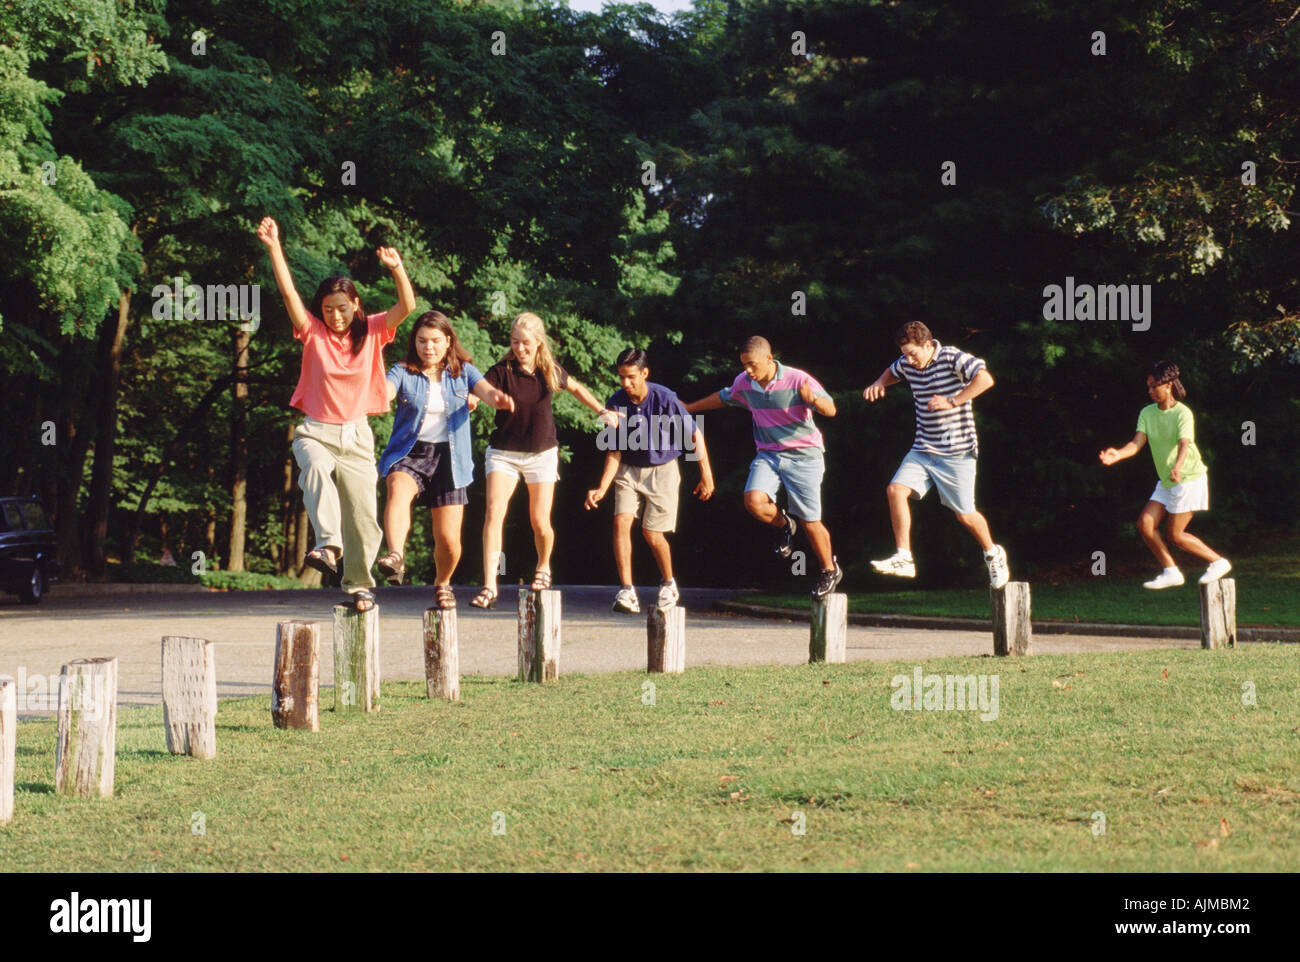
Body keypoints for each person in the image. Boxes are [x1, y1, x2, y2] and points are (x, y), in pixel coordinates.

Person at [257, 216, 416, 611]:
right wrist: (275, 247)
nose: (336, 317)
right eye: (328, 310)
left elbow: (407, 306)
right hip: (315, 432)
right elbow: (289, 293)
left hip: (357, 435)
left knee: (363, 514)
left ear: (356, 304)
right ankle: (328, 545)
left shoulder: (375, 331)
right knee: (313, 470)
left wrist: (397, 268)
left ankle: (359, 585)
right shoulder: (312, 332)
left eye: (342, 309)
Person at [470, 312, 619, 608]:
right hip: (504, 454)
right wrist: (473, 400)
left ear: (538, 342)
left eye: (525, 343)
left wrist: (602, 411)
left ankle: (543, 566)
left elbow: (575, 388)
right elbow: (480, 390)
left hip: (541, 454)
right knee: (493, 513)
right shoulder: (502, 370)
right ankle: (490, 584)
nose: (519, 349)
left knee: (539, 520)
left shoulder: (550, 370)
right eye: (514, 342)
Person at [684, 336, 842, 598]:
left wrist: (812, 399)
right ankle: (783, 526)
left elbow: (831, 409)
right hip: (768, 454)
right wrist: (690, 407)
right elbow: (723, 398)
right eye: (744, 365)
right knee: (754, 501)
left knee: (809, 520)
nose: (747, 371)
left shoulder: (797, 379)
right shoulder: (744, 383)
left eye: (752, 365)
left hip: (804, 456)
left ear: (769, 359)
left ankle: (829, 569)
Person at [375, 311, 514, 608]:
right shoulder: (403, 370)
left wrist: (498, 400)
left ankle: (443, 582)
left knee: (449, 540)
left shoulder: (463, 371)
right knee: (398, 489)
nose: (429, 347)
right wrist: (381, 396)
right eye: (422, 341)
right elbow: (386, 389)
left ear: (448, 341)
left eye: (436, 341)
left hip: (450, 459)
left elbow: (486, 391)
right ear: (415, 342)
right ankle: (396, 555)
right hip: (410, 453)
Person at [862, 321, 1009, 588]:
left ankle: (992, 553)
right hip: (923, 448)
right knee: (895, 490)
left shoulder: (951, 356)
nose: (909, 361)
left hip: (957, 451)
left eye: (913, 354)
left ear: (928, 345)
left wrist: (952, 401)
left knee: (964, 514)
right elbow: (893, 370)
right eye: (904, 354)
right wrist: (879, 382)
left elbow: (986, 379)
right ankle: (904, 557)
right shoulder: (908, 362)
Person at [584, 348, 715, 613]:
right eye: (621, 377)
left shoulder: (665, 399)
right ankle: (627, 591)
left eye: (631, 377)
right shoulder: (616, 403)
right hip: (629, 470)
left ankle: (668, 583)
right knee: (621, 522)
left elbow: (694, 434)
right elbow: (614, 451)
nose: (625, 383)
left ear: (645, 373)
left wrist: (706, 475)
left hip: (663, 470)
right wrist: (602, 488)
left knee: (652, 534)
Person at [1098, 360, 1231, 589]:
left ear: (1168, 385)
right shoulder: (1147, 413)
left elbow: (1184, 443)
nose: (1149, 391)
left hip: (1189, 479)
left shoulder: (1183, 413)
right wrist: (1117, 455)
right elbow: (1136, 443)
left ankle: (1218, 562)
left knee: (1175, 535)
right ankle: (1171, 571)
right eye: (1148, 387)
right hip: (1168, 481)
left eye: (1153, 386)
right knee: (1145, 524)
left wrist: (1178, 466)